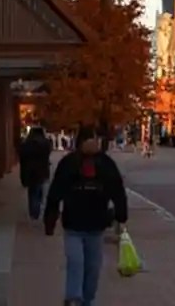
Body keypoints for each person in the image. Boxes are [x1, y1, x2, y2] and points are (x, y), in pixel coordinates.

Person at [44, 125, 129, 306]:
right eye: (89, 139)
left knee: (93, 268)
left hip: (96, 226)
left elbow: (117, 190)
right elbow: (55, 192)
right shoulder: (69, 163)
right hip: (73, 225)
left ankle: (87, 299)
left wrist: (121, 216)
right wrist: (50, 220)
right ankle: (73, 297)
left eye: (94, 139)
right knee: (76, 262)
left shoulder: (105, 164)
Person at [18, 126, 52, 221]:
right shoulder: (45, 143)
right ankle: (36, 208)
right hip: (42, 170)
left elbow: (22, 157)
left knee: (32, 191)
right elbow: (48, 153)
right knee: (39, 188)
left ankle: (33, 210)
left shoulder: (27, 143)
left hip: (30, 170)